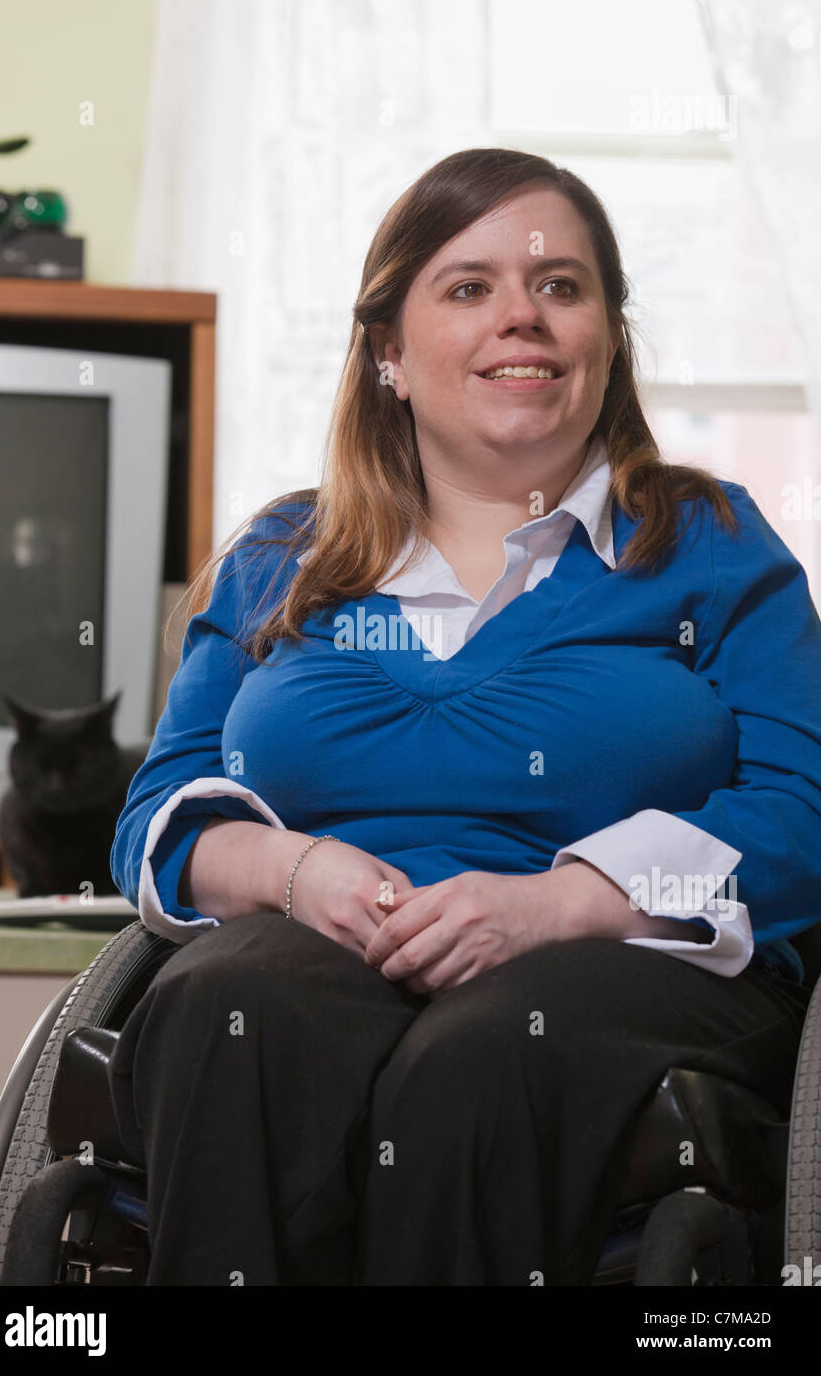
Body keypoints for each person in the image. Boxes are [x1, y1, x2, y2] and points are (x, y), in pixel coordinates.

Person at [108, 148, 821, 1287]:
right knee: (232, 1006)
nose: (521, 319)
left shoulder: (709, 542)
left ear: (605, 336)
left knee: (488, 1050)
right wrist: (303, 875)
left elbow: (801, 812)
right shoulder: (280, 557)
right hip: (319, 941)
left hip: (621, 966)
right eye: (468, 286)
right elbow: (161, 818)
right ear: (388, 350)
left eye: (560, 287)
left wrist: (555, 905)